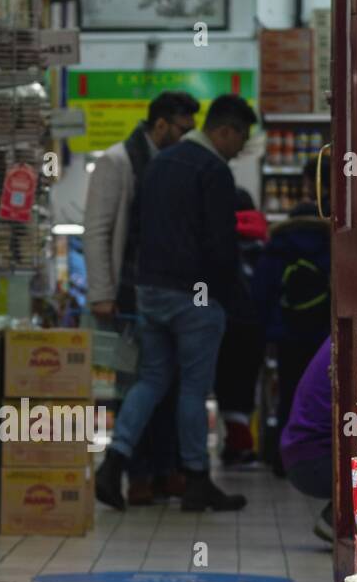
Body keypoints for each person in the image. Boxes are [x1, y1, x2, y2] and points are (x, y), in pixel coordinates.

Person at [95, 94, 258, 513]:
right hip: (194, 296)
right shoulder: (213, 170)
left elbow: (138, 230)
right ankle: (197, 480)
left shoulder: (160, 163)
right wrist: (234, 299)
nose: (239, 150)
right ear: (225, 131)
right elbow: (221, 247)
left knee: (150, 380)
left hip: (150, 291)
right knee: (192, 387)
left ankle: (113, 464)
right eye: (241, 140)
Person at [83, 90, 198, 505]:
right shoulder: (118, 161)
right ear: (162, 123)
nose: (185, 137)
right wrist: (101, 292)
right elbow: (96, 229)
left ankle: (162, 470)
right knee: (135, 384)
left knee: (165, 382)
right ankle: (138, 476)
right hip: (125, 293)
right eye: (181, 129)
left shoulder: (171, 161)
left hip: (159, 290)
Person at [256, 152, 332, 475]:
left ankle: (282, 458)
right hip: (323, 333)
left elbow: (263, 289)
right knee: (324, 395)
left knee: (290, 393)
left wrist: (267, 330)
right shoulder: (332, 239)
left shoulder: (281, 241)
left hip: (288, 332)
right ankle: (325, 455)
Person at [215, 187, 270, 466]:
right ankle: (242, 445)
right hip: (256, 323)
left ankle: (237, 444)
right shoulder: (263, 240)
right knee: (247, 384)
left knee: (225, 384)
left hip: (225, 321)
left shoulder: (220, 235)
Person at [280, 336, 334, 543]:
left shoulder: (345, 330)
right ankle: (341, 517)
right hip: (314, 460)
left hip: (303, 454)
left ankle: (336, 518)